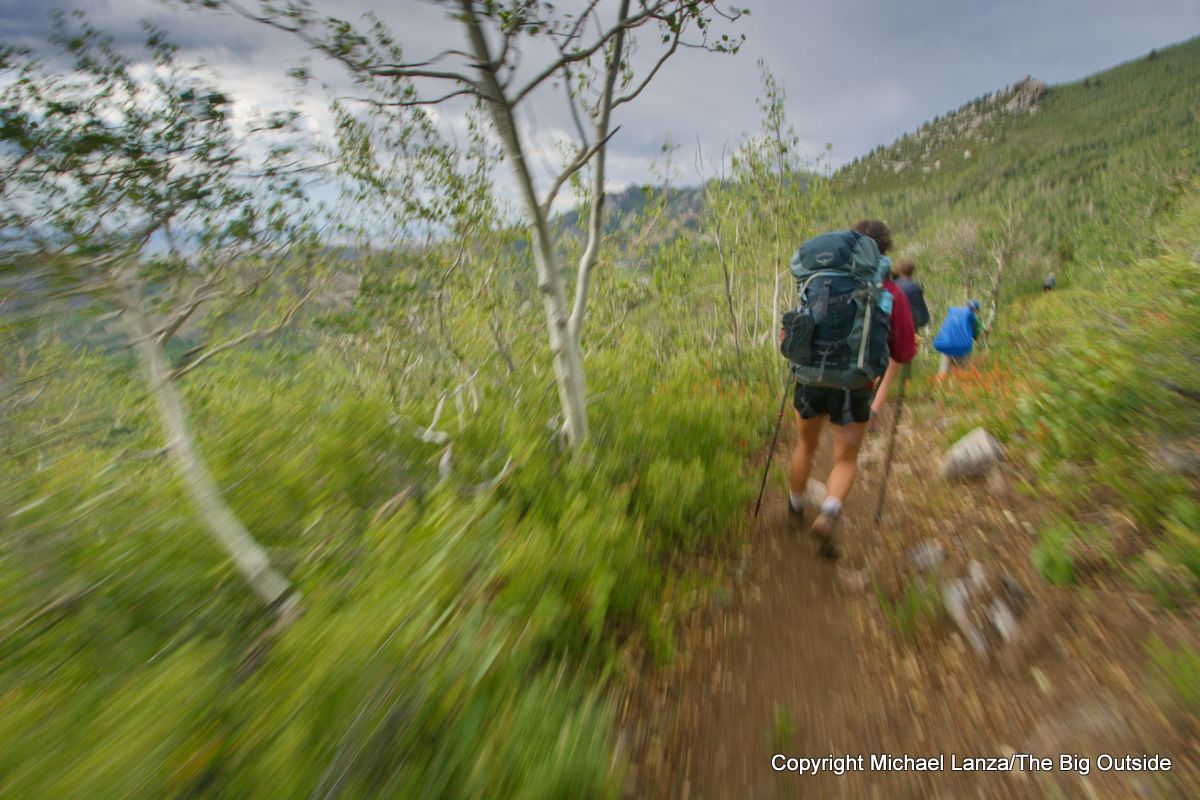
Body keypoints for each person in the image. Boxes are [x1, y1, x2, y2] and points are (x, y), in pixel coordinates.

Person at [788, 219, 917, 558]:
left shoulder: (820, 280)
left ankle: (795, 505)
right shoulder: (890, 292)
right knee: (845, 457)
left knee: (805, 443)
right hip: (855, 385)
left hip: (810, 379)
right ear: (883, 252)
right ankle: (830, 511)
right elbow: (903, 352)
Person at [870, 256, 928, 426]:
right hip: (898, 337)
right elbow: (923, 317)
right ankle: (872, 413)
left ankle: (860, 407)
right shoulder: (914, 288)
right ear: (912, 272)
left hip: (876, 334)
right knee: (886, 378)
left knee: (872, 375)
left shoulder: (883, 284)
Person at [933, 299, 983, 378]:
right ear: (974, 310)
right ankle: (956, 389)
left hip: (946, 346)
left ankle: (937, 389)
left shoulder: (953, 314)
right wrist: (985, 331)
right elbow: (977, 336)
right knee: (961, 374)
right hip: (961, 349)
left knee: (942, 372)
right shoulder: (972, 318)